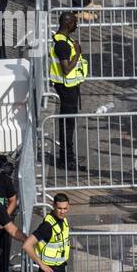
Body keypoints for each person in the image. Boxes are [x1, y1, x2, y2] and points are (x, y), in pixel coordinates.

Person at [48, 12, 87, 168]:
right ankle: (66, 160)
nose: (76, 25)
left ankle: (68, 157)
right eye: (75, 22)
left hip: (69, 88)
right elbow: (66, 68)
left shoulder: (64, 40)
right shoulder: (62, 44)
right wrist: (77, 52)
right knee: (67, 125)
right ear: (68, 24)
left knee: (68, 124)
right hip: (66, 89)